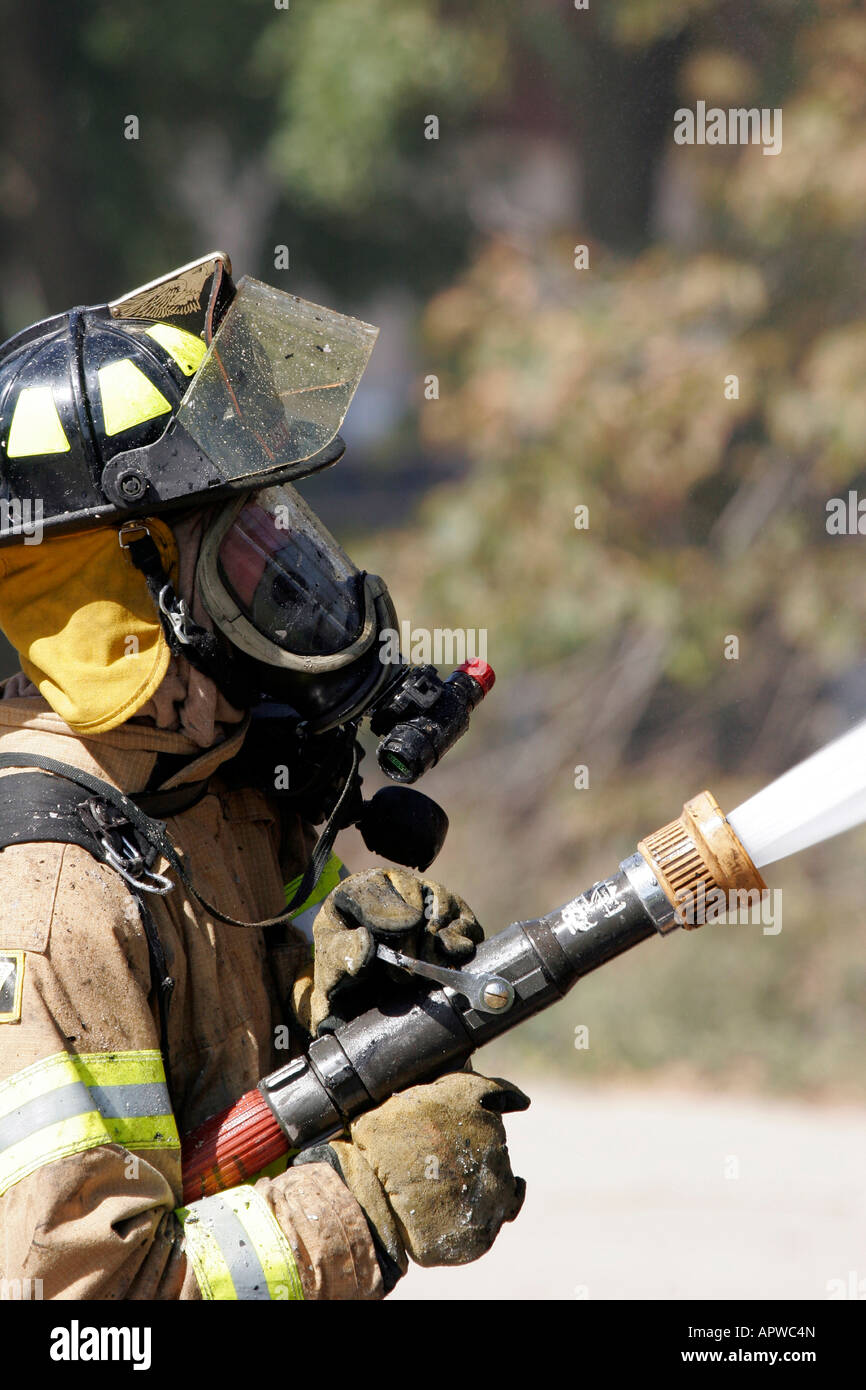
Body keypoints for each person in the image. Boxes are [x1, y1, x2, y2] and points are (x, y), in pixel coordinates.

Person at [0, 254, 527, 1300]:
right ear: (123, 600)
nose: (288, 574)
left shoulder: (198, 793)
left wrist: (332, 994)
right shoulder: (54, 902)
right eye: (242, 547)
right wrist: (364, 1205)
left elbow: (218, 1088)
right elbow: (84, 1315)